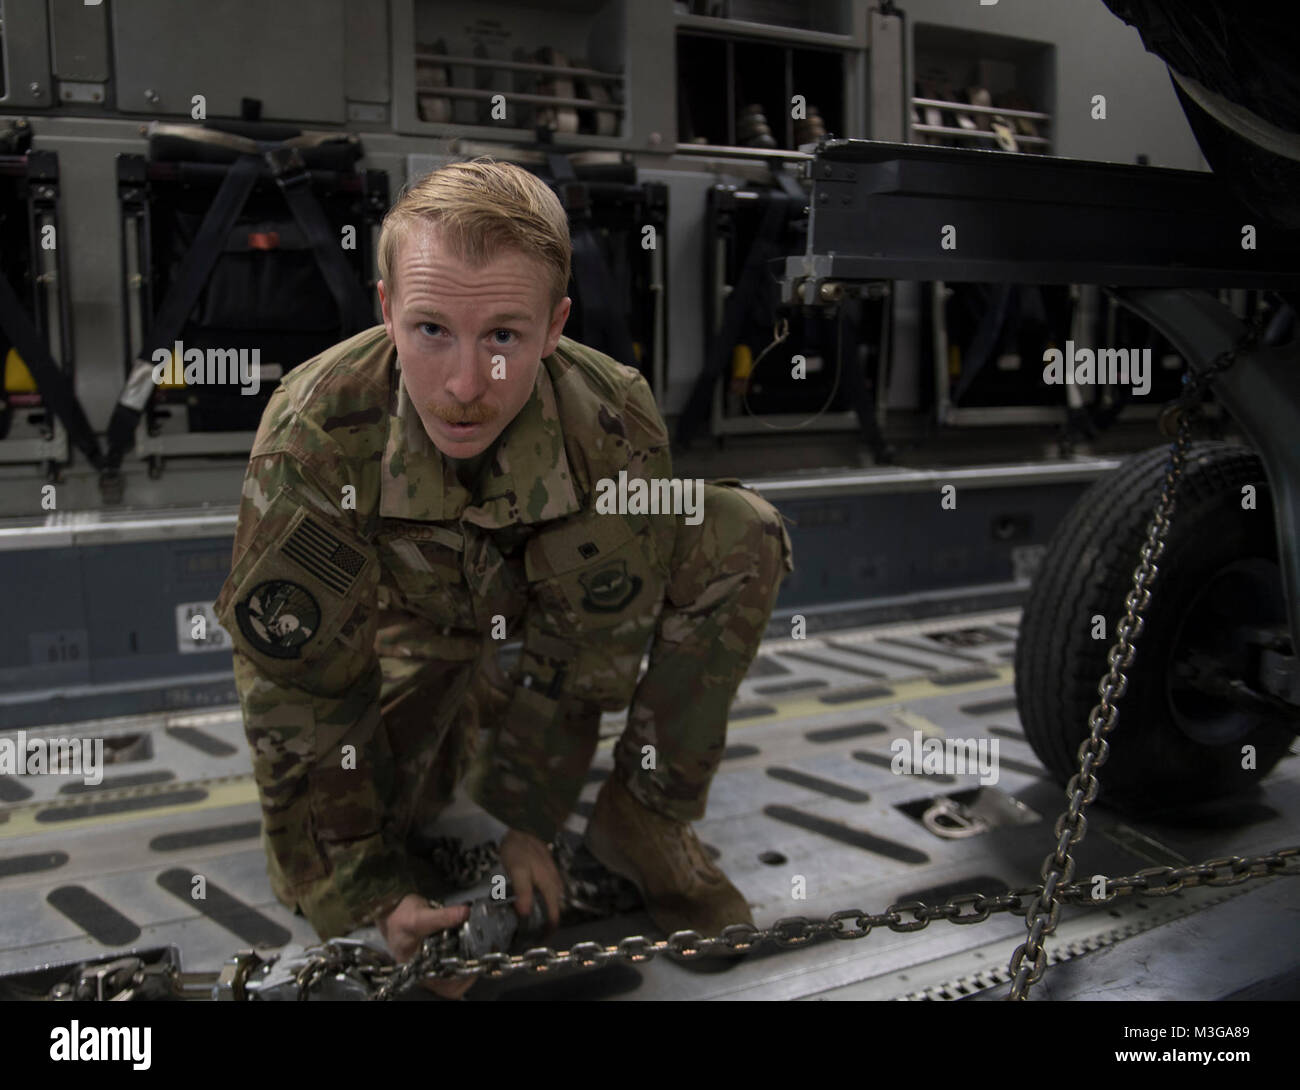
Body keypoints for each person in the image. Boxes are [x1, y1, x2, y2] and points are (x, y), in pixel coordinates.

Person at [214, 157, 793, 998]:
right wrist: (371, 895)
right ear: (386, 312)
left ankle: (647, 819)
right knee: (379, 823)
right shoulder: (317, 436)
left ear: (555, 326)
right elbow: (297, 690)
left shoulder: (614, 420)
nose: (462, 387)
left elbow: (592, 636)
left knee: (738, 531)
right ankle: (449, 752)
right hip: (396, 647)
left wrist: (531, 822)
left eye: (503, 338)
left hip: (521, 638)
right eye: (431, 330)